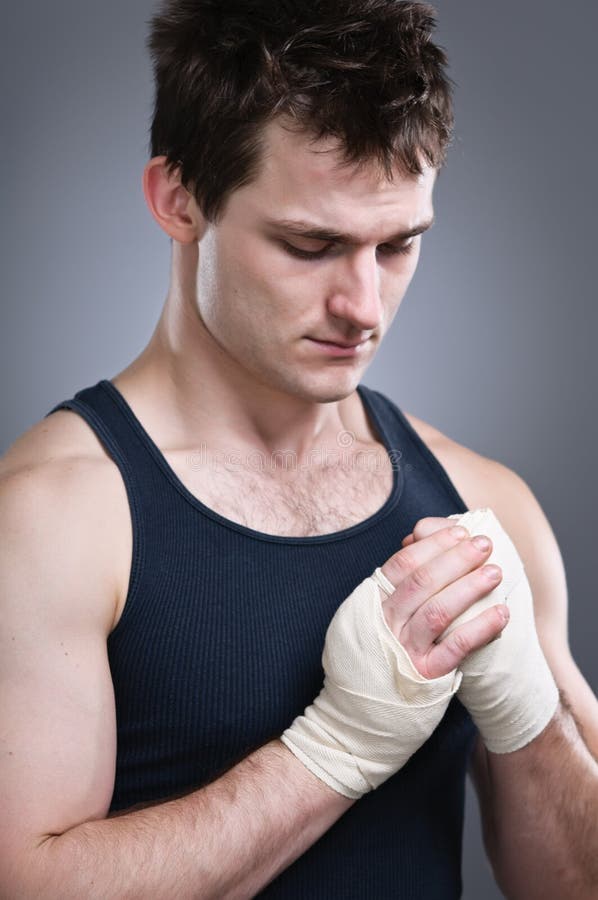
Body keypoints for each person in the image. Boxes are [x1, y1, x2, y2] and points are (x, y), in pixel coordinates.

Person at [1, 0, 597, 897]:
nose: (364, 305)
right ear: (179, 198)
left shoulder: (483, 505)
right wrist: (335, 750)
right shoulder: (55, 516)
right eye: (311, 244)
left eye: (398, 245)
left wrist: (529, 716)